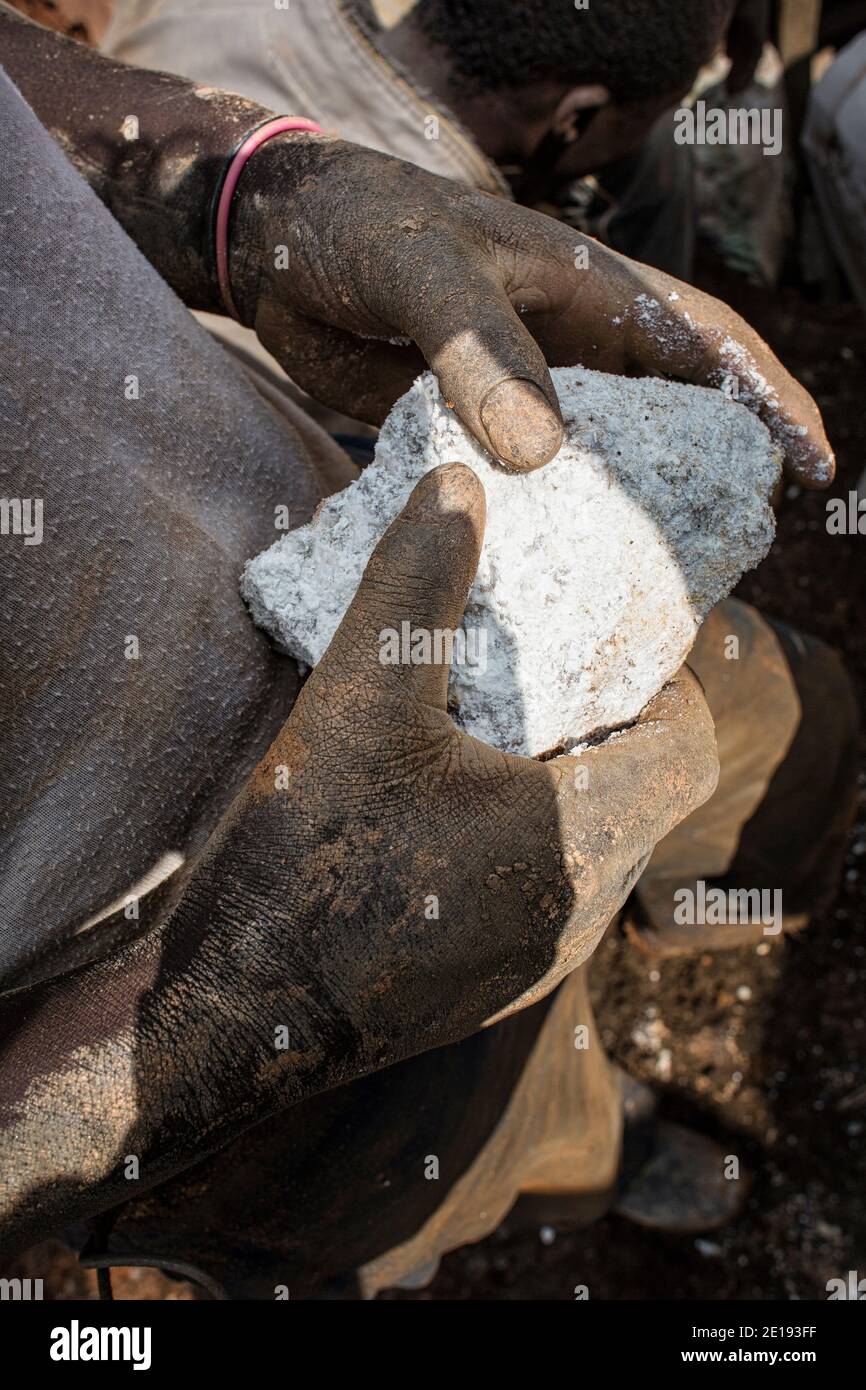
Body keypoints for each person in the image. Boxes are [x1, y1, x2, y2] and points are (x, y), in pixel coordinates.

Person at [0, 4, 854, 1297]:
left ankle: (702, 912)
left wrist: (253, 196)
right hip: (190, 995)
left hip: (369, 548)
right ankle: (595, 1144)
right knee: (486, 1119)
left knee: (780, 715)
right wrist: (177, 1047)